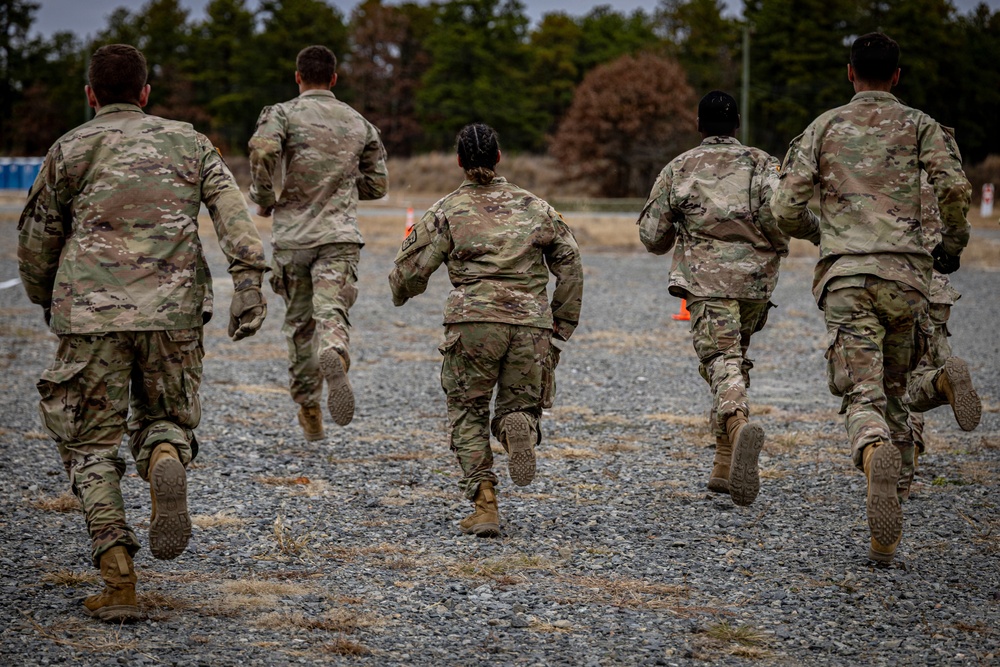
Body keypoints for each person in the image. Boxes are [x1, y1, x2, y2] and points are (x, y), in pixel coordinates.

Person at [17, 44, 268, 621]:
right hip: (174, 314)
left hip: (92, 314)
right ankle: (162, 454)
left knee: (89, 444)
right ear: (146, 92)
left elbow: (37, 239)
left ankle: (118, 578)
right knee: (166, 416)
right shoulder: (189, 142)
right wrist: (249, 282)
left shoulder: (69, 148)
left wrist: (48, 297)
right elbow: (232, 213)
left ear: (90, 94)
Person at [771, 33, 972, 563]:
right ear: (897, 75)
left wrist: (822, 233)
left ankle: (872, 448)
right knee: (897, 391)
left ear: (850, 72)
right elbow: (954, 188)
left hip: (847, 278)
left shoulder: (823, 127)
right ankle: (888, 533)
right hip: (907, 279)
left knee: (863, 394)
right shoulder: (922, 125)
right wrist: (950, 244)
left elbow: (784, 206)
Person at [388, 123, 583, 536]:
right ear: (498, 157)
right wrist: (561, 322)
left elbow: (410, 272)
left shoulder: (447, 210)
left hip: (473, 322)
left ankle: (485, 504)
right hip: (530, 324)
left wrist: (401, 293)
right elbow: (570, 262)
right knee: (521, 404)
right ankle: (517, 428)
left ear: (460, 161)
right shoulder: (536, 207)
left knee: (468, 410)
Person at [638, 90, 811, 507]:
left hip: (707, 281)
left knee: (720, 360)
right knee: (735, 358)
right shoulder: (763, 163)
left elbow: (652, 236)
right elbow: (783, 213)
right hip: (755, 283)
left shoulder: (679, 167)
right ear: (736, 125)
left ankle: (736, 423)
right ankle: (723, 463)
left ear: (699, 125)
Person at [249, 45, 388, 440]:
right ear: (334, 78)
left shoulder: (282, 114)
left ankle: (309, 408)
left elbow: (263, 148)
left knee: (298, 325)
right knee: (332, 312)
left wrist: (265, 197)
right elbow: (378, 184)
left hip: (294, 237)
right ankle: (336, 351)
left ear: (298, 77)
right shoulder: (358, 122)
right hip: (338, 236)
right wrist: (342, 187)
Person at [899, 173, 982, 500]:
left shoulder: (875, 164)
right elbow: (959, 203)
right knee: (921, 371)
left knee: (892, 379)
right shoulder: (935, 172)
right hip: (935, 287)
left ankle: (901, 470)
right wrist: (951, 251)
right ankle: (942, 381)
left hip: (891, 283)